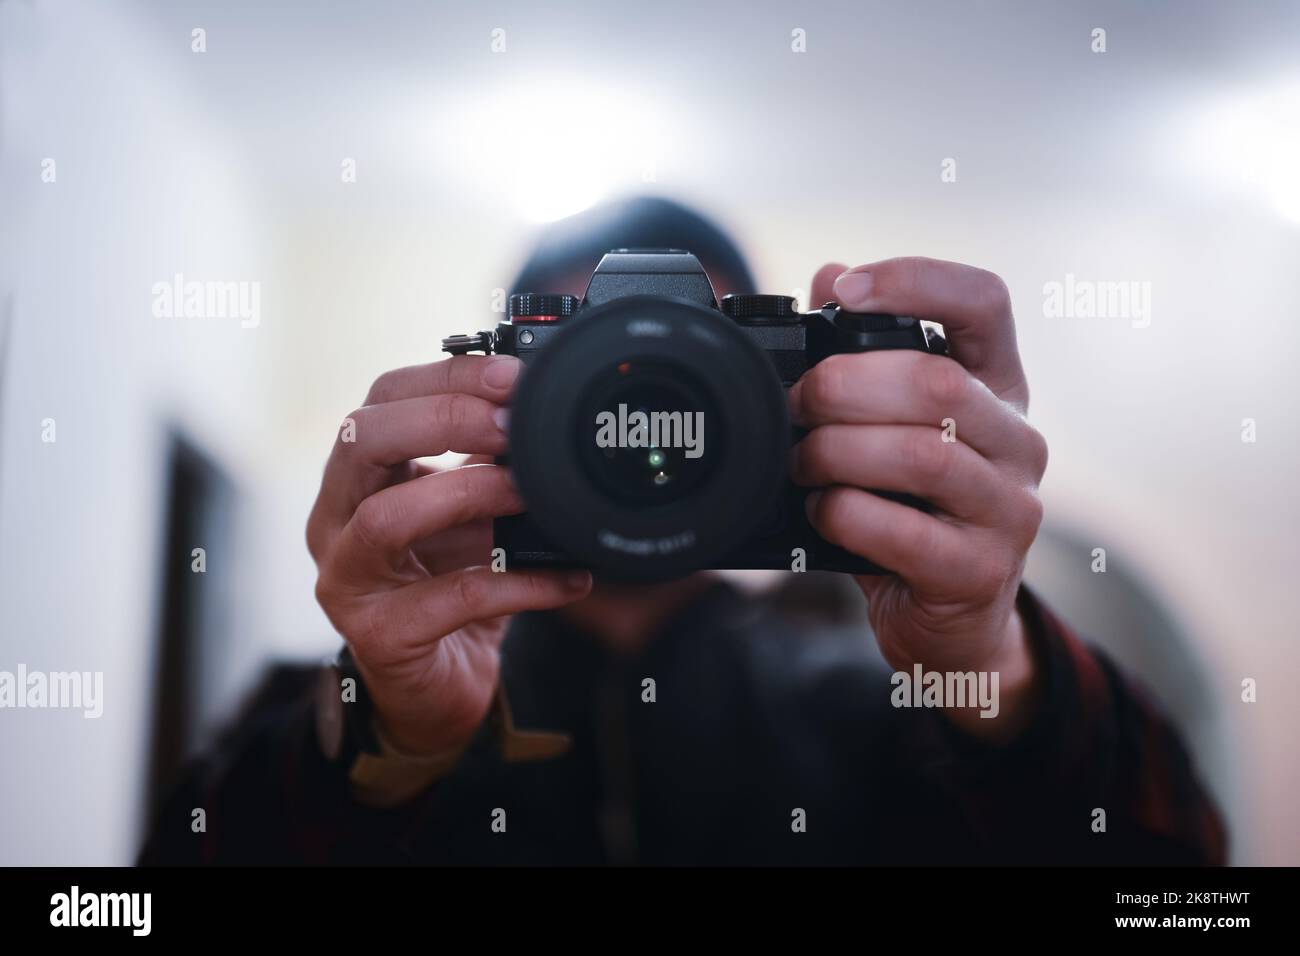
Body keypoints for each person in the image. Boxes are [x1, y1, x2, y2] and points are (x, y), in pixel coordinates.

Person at [140, 197, 1225, 865]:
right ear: (500, 385)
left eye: (692, 368)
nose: (640, 418)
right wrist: (381, 741)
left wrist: (992, 668)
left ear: (778, 393)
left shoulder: (884, 701)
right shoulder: (353, 698)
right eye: (589, 363)